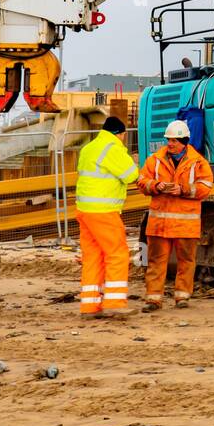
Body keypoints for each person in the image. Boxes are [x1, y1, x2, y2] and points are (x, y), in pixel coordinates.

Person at [137, 119, 213, 310]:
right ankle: (153, 299)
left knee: (186, 261)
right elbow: (142, 181)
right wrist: (156, 186)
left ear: (185, 141)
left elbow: (206, 187)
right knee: (155, 262)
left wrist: (183, 190)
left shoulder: (198, 162)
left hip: (185, 225)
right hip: (159, 225)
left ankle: (182, 297)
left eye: (175, 140)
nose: (170, 143)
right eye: (169, 140)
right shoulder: (154, 160)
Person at [74, 115, 139, 317]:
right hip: (104, 211)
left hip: (84, 210)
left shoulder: (89, 148)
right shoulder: (113, 148)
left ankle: (89, 306)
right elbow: (131, 175)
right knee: (117, 254)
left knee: (93, 256)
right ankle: (114, 303)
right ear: (121, 134)